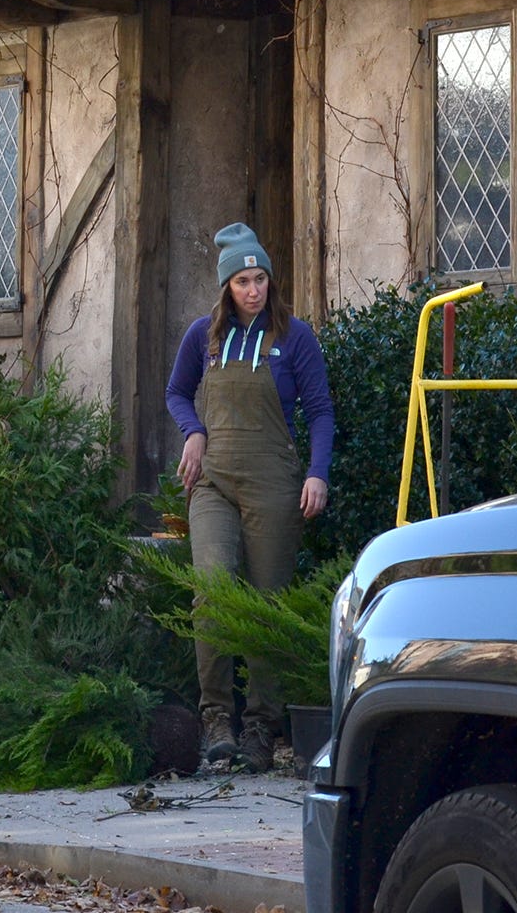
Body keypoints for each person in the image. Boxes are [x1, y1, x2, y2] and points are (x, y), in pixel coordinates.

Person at [165, 224, 334, 773]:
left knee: (267, 602)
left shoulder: (294, 337)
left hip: (275, 483)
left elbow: (322, 411)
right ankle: (216, 718)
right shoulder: (202, 338)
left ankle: (261, 727)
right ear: (226, 286)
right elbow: (175, 392)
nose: (254, 289)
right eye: (243, 280)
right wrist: (193, 430)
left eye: (260, 278)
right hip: (212, 482)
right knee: (211, 594)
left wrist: (317, 473)